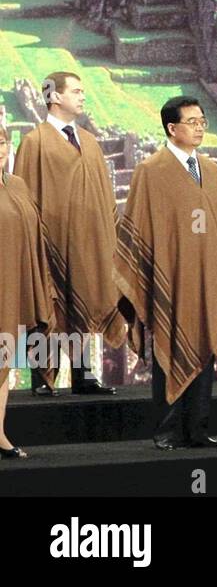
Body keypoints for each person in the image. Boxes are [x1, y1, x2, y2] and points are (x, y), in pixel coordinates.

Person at [116, 97, 217, 449]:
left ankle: (197, 429)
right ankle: (166, 430)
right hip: (169, 278)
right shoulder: (151, 171)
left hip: (208, 278)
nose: (200, 127)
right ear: (172, 128)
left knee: (204, 346)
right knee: (169, 348)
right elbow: (139, 229)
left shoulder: (212, 172)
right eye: (192, 122)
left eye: (203, 121)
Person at [13, 72, 126, 396]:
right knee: (48, 305)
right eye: (76, 91)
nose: (82, 96)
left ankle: (83, 374)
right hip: (51, 242)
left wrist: (107, 238)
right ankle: (43, 378)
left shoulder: (89, 142)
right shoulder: (34, 143)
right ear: (55, 97)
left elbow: (104, 196)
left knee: (86, 299)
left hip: (88, 242)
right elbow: (24, 198)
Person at [0, 129, 59, 459]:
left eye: (2, 143)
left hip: (12, 286)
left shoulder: (17, 185)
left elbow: (31, 237)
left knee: (4, 362)